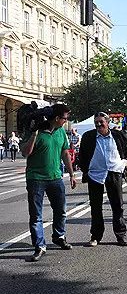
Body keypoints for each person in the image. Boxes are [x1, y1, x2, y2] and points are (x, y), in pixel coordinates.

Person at [19, 103, 76, 262]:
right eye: (65, 118)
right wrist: (34, 135)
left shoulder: (61, 133)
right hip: (36, 178)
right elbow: (26, 153)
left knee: (61, 210)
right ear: (57, 118)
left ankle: (59, 236)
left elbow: (65, 154)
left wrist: (71, 175)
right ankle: (39, 246)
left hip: (55, 178)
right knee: (36, 215)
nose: (66, 121)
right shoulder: (34, 132)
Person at [79, 112, 127, 247]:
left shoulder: (118, 135)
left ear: (108, 122)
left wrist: (126, 161)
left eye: (101, 122)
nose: (98, 124)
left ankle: (121, 236)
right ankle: (96, 236)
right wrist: (86, 170)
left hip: (114, 173)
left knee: (117, 206)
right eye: (96, 122)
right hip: (95, 175)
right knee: (95, 207)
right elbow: (82, 156)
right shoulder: (88, 137)